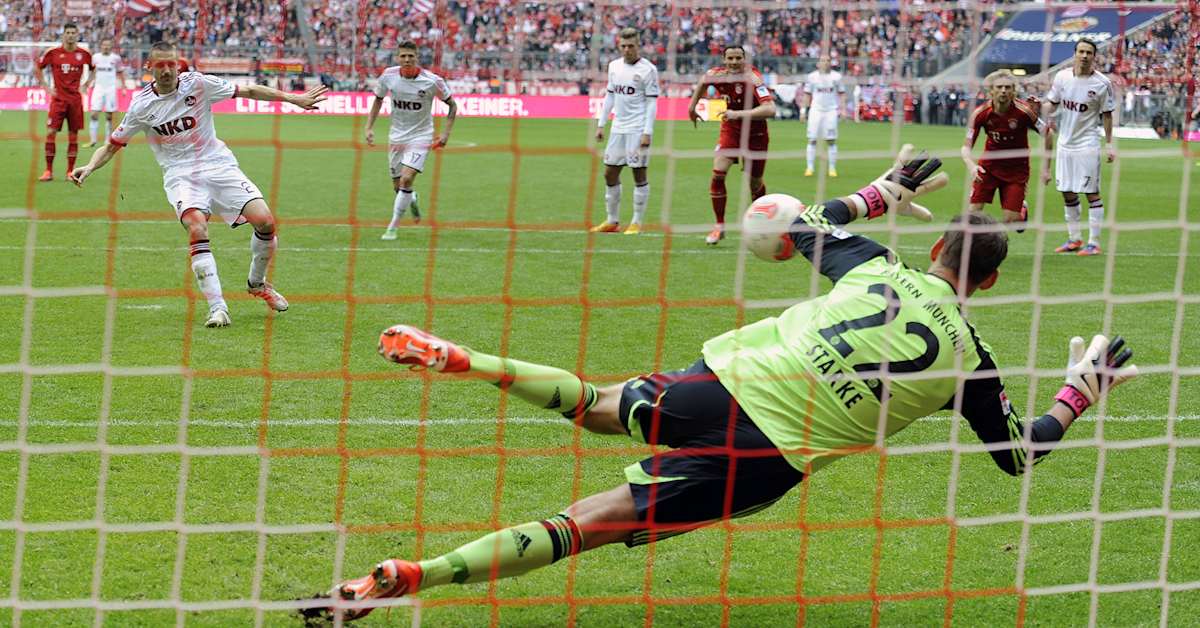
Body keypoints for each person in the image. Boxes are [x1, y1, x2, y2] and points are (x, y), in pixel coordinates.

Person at [300, 146, 1136, 623]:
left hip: (730, 380)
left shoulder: (877, 266)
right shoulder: (972, 362)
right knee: (586, 524)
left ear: (938, 249)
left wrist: (882, 192)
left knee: (594, 403)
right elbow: (1019, 454)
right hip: (764, 454)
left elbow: (794, 222)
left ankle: (470, 361)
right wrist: (1080, 390)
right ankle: (415, 576)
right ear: (988, 282)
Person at [68, 41, 328, 328]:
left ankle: (257, 284)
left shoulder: (199, 84)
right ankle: (218, 308)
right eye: (160, 65)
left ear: (178, 64)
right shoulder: (142, 106)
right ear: (149, 67)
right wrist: (89, 166)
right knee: (197, 227)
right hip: (181, 176)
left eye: (172, 64)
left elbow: (249, 90)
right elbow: (112, 145)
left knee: (266, 222)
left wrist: (293, 99)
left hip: (219, 165)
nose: (167, 70)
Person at [365, 40, 458, 240]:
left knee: (406, 179)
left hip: (421, 136)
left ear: (417, 58)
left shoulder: (432, 81)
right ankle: (411, 197)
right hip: (397, 136)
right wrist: (369, 127)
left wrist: (445, 134)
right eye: (403, 56)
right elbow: (378, 99)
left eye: (410, 56)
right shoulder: (388, 76)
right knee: (398, 187)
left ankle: (392, 228)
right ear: (397, 58)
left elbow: (452, 105)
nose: (407, 59)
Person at [687, 45, 776, 246]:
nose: (734, 62)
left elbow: (770, 109)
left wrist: (738, 114)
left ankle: (762, 224)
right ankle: (719, 226)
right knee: (718, 173)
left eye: (738, 58)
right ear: (724, 60)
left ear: (744, 60)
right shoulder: (716, 74)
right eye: (730, 58)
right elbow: (703, 82)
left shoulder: (753, 78)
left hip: (756, 133)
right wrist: (692, 107)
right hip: (731, 129)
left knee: (754, 183)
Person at [1042, 39, 1117, 256]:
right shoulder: (1062, 77)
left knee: (1091, 192)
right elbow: (1053, 103)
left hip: (1088, 144)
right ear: (1075, 54)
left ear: (1094, 56)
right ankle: (1074, 239)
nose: (1084, 56)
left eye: (1089, 53)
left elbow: (1107, 115)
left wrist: (1109, 144)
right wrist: (1039, 107)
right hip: (1064, 143)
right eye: (1081, 52)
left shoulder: (1102, 83)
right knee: (1066, 191)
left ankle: (1094, 243)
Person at [961, 70, 1053, 231]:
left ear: (1014, 91)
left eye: (1008, 87)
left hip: (1016, 170)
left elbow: (1048, 134)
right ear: (991, 90)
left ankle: (1021, 210)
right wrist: (971, 166)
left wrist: (1046, 169)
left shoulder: (1024, 112)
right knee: (972, 215)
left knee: (1011, 221)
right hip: (988, 167)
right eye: (999, 87)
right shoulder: (980, 114)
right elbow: (965, 148)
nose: (1003, 91)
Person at [591, 27, 660, 235]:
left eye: (631, 46)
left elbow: (651, 103)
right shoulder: (614, 66)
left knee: (639, 173)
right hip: (618, 128)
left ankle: (636, 222)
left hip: (637, 128)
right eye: (623, 46)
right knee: (609, 173)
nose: (627, 49)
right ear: (619, 46)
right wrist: (601, 124)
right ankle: (612, 221)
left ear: (638, 46)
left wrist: (647, 132)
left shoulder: (648, 70)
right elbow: (610, 96)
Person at [35, 22, 92, 181]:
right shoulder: (53, 53)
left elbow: (93, 68)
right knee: (51, 133)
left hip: (75, 101)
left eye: (73, 32)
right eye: (68, 32)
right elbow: (38, 67)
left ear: (77, 35)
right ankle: (48, 171)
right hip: (58, 100)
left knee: (73, 136)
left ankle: (70, 171)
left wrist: (86, 84)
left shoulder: (84, 54)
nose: (71, 35)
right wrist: (46, 87)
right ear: (63, 34)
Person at [801, 55, 845, 178]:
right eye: (822, 60)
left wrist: (843, 109)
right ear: (818, 63)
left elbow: (842, 93)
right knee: (812, 139)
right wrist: (803, 111)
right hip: (816, 110)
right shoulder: (812, 77)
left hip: (831, 111)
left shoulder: (836, 77)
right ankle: (810, 167)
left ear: (831, 63)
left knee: (831, 140)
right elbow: (807, 95)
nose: (825, 62)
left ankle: (832, 168)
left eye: (828, 60)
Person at [87, 38, 125, 148]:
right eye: (104, 45)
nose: (106, 47)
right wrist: (89, 83)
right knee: (94, 114)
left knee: (109, 116)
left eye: (108, 45)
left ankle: (108, 140)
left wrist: (123, 87)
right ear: (101, 46)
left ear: (111, 46)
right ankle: (93, 140)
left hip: (110, 89)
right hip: (98, 88)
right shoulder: (95, 57)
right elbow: (92, 72)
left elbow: (120, 72)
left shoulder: (116, 58)